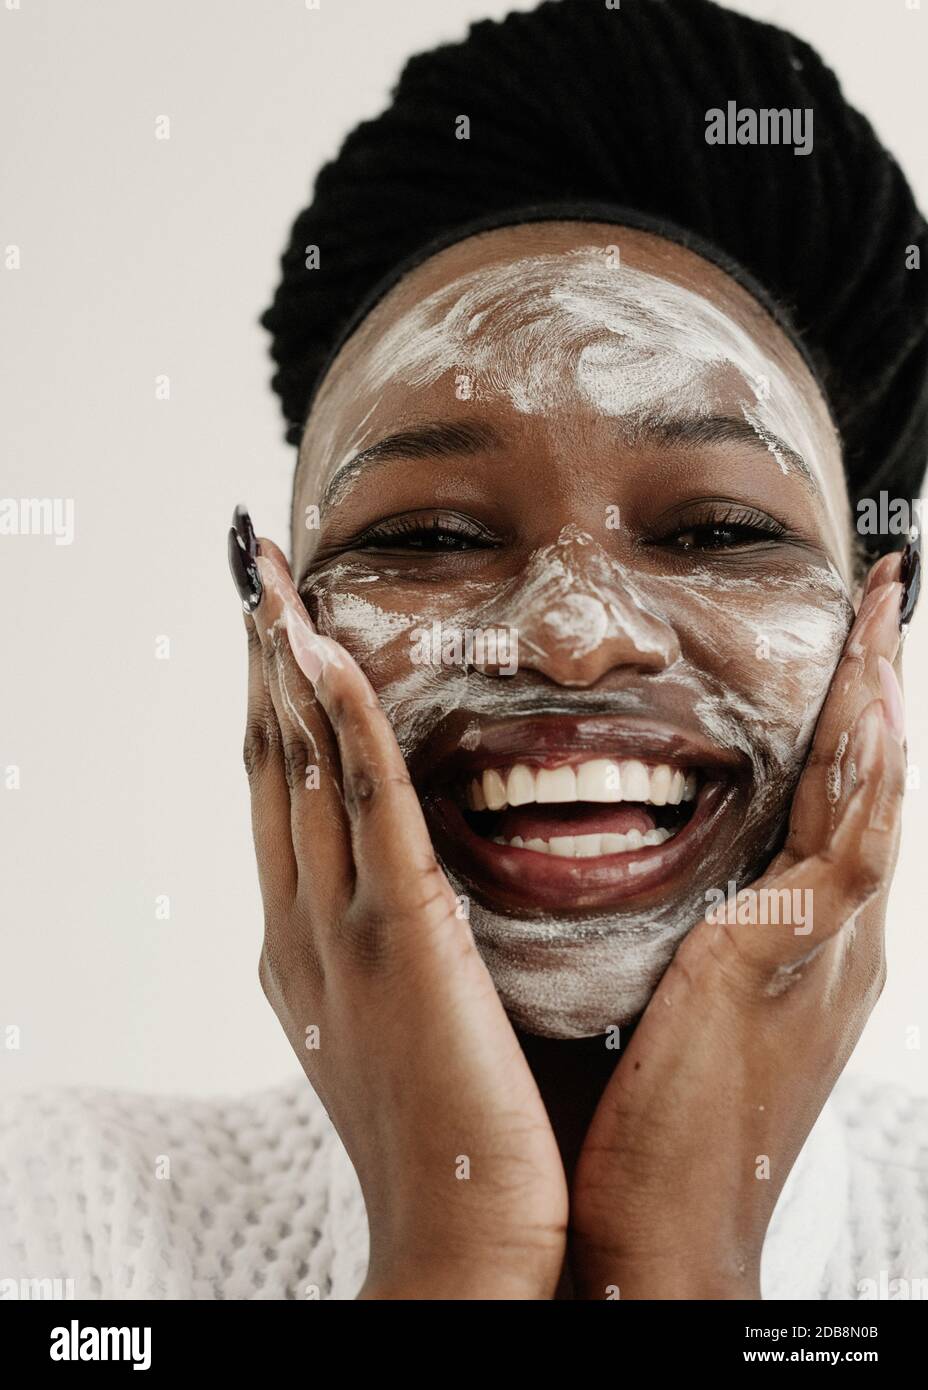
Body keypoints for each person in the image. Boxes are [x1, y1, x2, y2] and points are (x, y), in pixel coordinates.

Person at [3, 0, 927, 1301]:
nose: (570, 630)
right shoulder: (50, 1220)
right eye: (430, 534)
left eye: (717, 529)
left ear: (872, 640)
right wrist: (454, 1251)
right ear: (277, 623)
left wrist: (682, 1265)